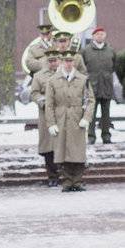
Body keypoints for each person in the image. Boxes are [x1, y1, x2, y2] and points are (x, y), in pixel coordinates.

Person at [45, 50, 95, 192]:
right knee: (63, 151)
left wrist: (86, 118)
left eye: (71, 61)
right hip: (61, 119)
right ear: (61, 62)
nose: (68, 63)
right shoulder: (53, 80)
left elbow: (90, 100)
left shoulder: (83, 79)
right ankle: (67, 181)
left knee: (77, 151)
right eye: (66, 61)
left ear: (74, 62)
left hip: (77, 118)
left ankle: (77, 181)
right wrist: (51, 123)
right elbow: (49, 104)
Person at [30, 48, 62, 187]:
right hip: (46, 114)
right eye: (50, 61)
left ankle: (66, 174)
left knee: (63, 145)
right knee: (49, 147)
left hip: (63, 113)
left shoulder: (65, 73)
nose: (52, 63)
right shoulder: (39, 76)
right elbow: (34, 93)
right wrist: (42, 101)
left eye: (55, 60)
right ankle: (52, 176)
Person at [81, 27, 116, 144]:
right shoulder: (86, 50)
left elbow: (114, 66)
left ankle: (106, 136)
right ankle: (91, 136)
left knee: (106, 114)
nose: (100, 36)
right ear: (93, 36)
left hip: (106, 86)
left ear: (105, 36)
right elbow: (81, 67)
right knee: (91, 113)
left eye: (102, 34)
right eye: (97, 34)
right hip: (92, 87)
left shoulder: (110, 50)